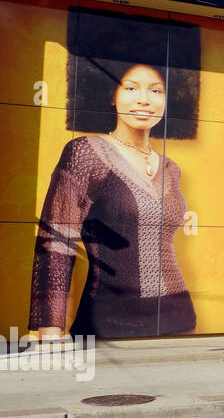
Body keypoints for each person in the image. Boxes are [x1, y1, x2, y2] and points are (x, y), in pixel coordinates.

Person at [31, 60, 197, 339]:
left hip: (180, 318)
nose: (144, 100)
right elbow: (56, 242)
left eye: (156, 91)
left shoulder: (171, 168)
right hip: (109, 322)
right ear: (112, 94)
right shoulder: (85, 153)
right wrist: (50, 330)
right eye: (131, 88)